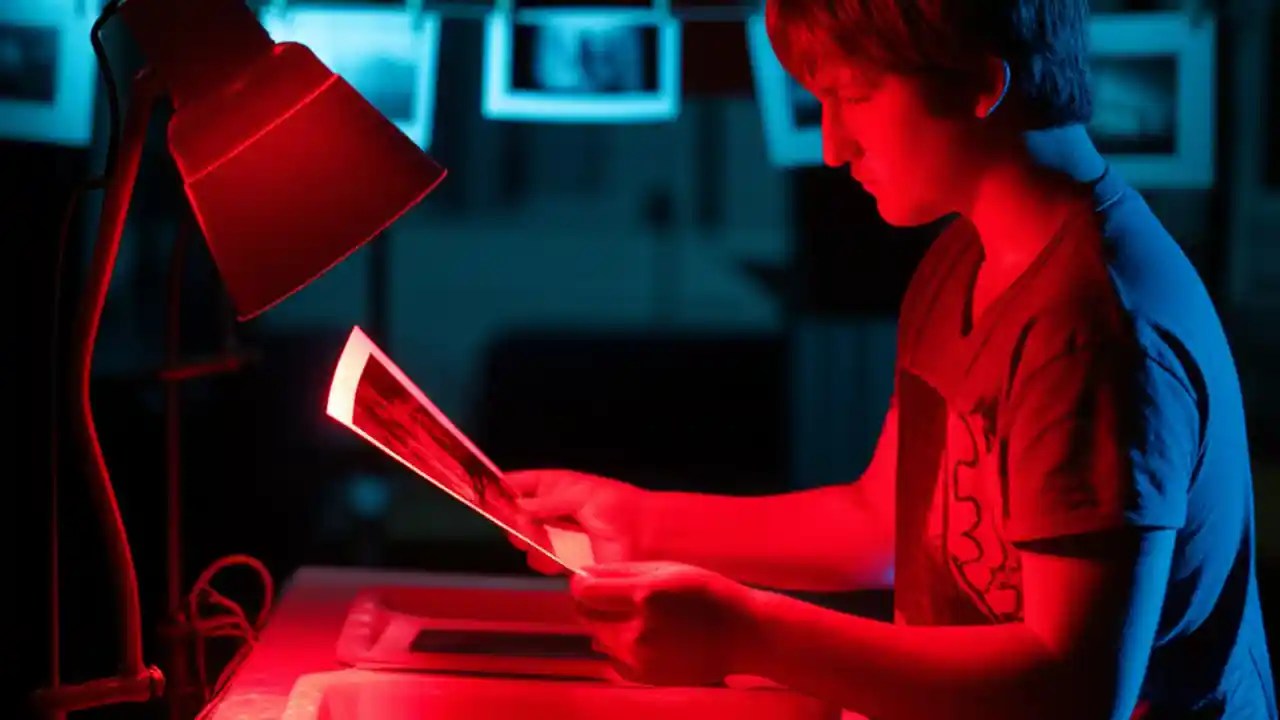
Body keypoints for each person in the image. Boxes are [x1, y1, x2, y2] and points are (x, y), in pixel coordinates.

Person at [504, 0, 1278, 717]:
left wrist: (747, 634)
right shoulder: (962, 260)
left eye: (855, 96)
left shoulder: (1093, 327)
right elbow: (880, 525)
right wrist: (633, 522)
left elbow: (1072, 685)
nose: (834, 146)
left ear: (980, 84)